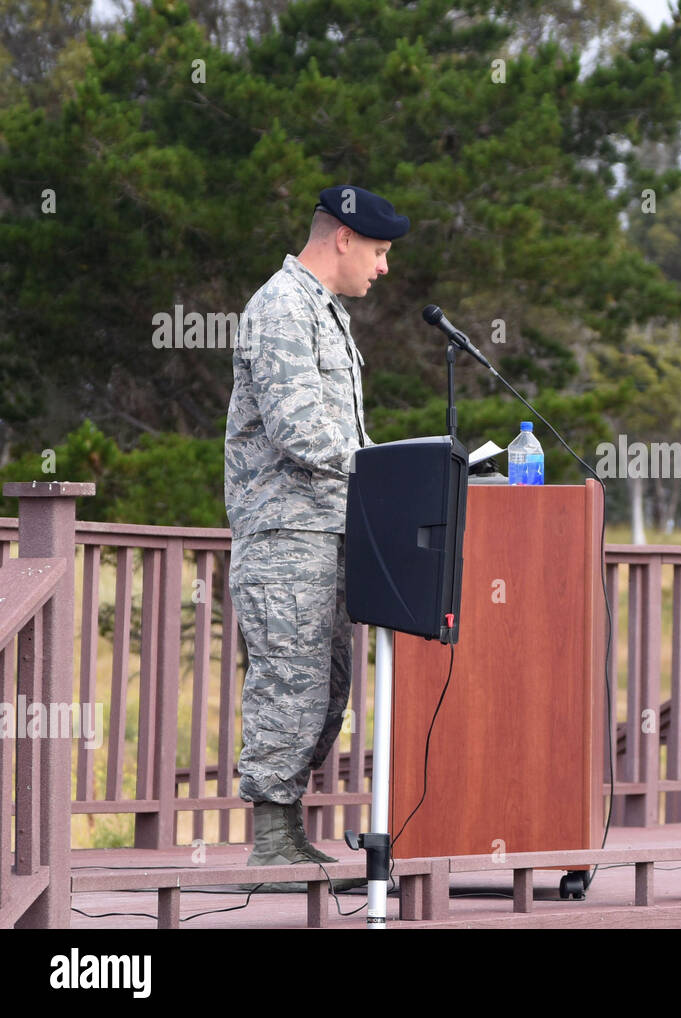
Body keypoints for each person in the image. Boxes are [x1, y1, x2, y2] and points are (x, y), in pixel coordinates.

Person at [224, 185, 408, 889]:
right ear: (342, 238)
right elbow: (301, 430)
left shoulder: (326, 314)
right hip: (287, 539)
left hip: (331, 533)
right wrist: (385, 470)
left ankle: (289, 835)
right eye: (380, 252)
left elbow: (343, 437)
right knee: (289, 686)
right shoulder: (280, 307)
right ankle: (270, 840)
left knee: (328, 690)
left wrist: (391, 470)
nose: (384, 268)